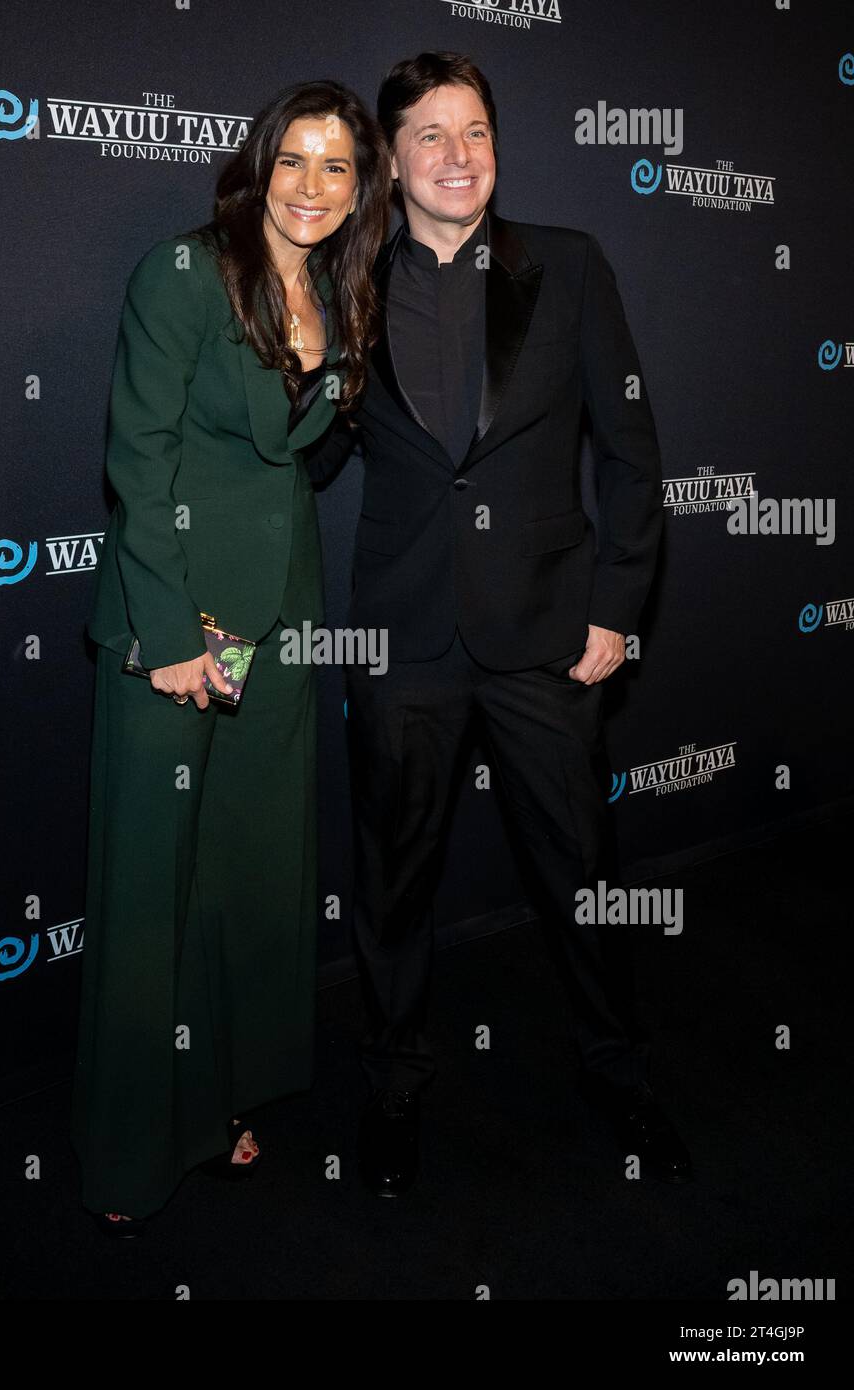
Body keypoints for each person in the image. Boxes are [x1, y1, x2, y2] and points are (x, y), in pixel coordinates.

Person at [304, 52, 692, 1195]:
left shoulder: (565, 266)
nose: (456, 155)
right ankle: (391, 1089)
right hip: (400, 641)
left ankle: (616, 1075)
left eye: (472, 131)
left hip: (543, 638)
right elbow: (317, 454)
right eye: (428, 134)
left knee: (583, 874)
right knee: (392, 883)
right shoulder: (345, 283)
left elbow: (630, 453)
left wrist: (615, 612)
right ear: (390, 157)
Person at [71, 80, 390, 1237]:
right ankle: (128, 1149)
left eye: (337, 166)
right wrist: (166, 637)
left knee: (242, 872)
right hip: (176, 617)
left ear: (362, 187)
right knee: (154, 888)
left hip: (280, 610)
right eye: (292, 159)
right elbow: (135, 458)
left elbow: (299, 459)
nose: (311, 185)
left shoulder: (342, 288)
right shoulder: (181, 274)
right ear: (257, 167)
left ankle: (211, 1103)